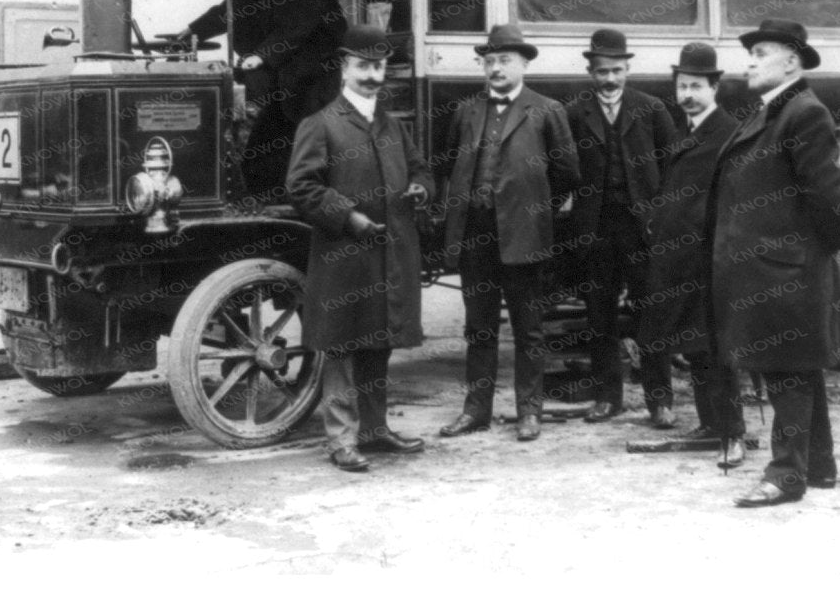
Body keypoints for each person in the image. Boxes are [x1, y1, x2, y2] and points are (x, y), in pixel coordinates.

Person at [710, 19, 840, 508]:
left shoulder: (803, 114)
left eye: (761, 52)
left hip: (787, 270)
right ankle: (820, 466)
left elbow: (832, 205)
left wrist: (803, 259)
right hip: (771, 268)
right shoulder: (771, 112)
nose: (748, 60)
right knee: (796, 367)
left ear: (791, 60)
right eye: (749, 53)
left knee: (787, 369)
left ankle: (786, 474)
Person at [286, 25, 433, 472]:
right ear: (345, 68)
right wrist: (348, 217)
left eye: (379, 66)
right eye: (363, 66)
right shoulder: (321, 124)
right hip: (345, 255)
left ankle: (374, 431)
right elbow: (301, 186)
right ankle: (342, 439)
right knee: (343, 347)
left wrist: (421, 188)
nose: (372, 75)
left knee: (378, 342)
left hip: (389, 254)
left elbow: (422, 169)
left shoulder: (392, 126)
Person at [437, 24, 579, 443]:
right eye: (490, 61)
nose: (495, 68)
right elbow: (448, 166)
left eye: (504, 61)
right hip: (474, 234)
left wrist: (535, 215)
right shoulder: (466, 111)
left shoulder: (547, 110)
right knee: (478, 329)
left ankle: (528, 413)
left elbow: (567, 173)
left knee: (528, 328)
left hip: (523, 236)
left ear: (524, 64)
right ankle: (475, 411)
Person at [180, 0, 347, 197]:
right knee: (263, 155)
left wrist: (263, 55)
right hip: (284, 81)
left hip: (314, 80)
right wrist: (194, 30)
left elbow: (303, 21)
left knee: (306, 152)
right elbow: (237, 6)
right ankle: (269, 206)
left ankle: (310, 207)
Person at [638, 43, 748, 466]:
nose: (687, 94)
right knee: (695, 343)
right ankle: (710, 423)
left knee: (719, 349)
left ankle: (733, 433)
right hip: (678, 259)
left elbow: (735, 201)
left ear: (715, 87)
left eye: (696, 86)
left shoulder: (728, 133)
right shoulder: (687, 131)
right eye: (682, 85)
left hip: (709, 260)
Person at [563, 29, 677, 427]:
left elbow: (673, 168)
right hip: (595, 229)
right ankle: (606, 397)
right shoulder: (575, 112)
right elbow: (562, 169)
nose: (609, 79)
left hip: (641, 229)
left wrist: (662, 217)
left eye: (616, 71)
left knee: (651, 313)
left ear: (628, 68)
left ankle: (659, 401)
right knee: (599, 315)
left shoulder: (652, 109)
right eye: (601, 72)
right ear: (589, 71)